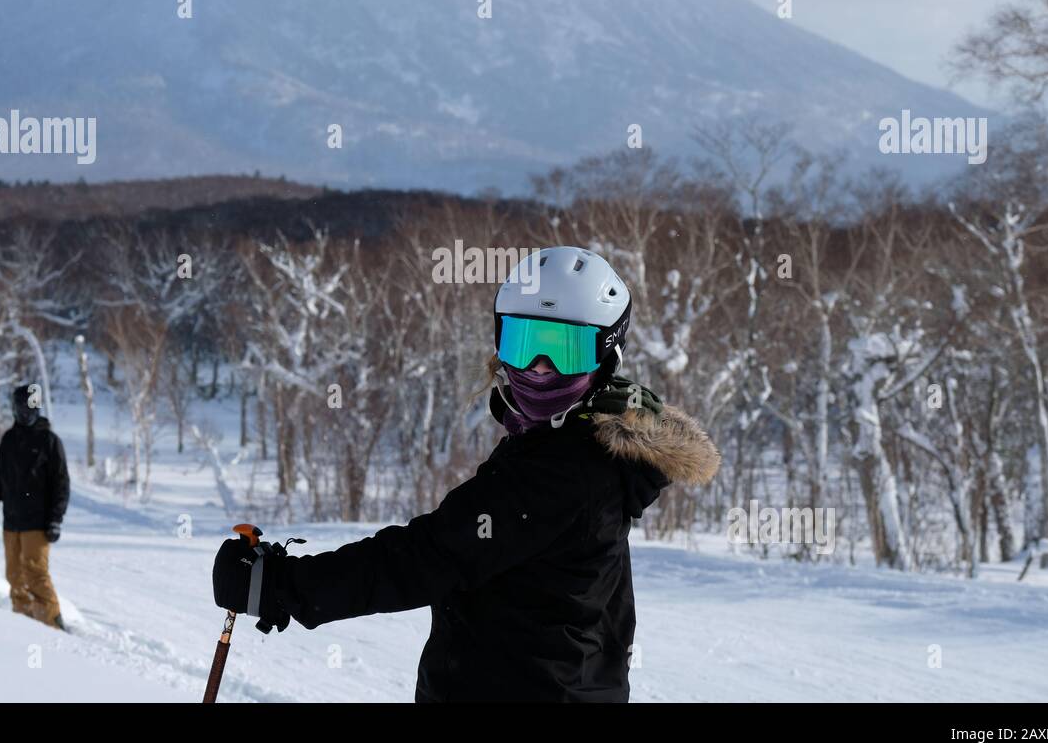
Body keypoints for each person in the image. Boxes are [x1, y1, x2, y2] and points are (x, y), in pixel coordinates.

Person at [212, 246, 720, 701]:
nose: (539, 368)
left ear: (606, 355)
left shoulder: (562, 470)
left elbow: (426, 557)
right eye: (524, 343)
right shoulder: (584, 443)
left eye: (564, 350)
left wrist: (279, 585)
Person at [0, 384, 70, 631]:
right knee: (14, 577)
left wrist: (55, 519)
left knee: (35, 574)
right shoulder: (9, 440)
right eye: (21, 406)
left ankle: (52, 622)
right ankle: (23, 625)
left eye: (31, 406)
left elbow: (61, 484)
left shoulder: (49, 441)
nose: (25, 412)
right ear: (14, 408)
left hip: (37, 522)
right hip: (11, 522)